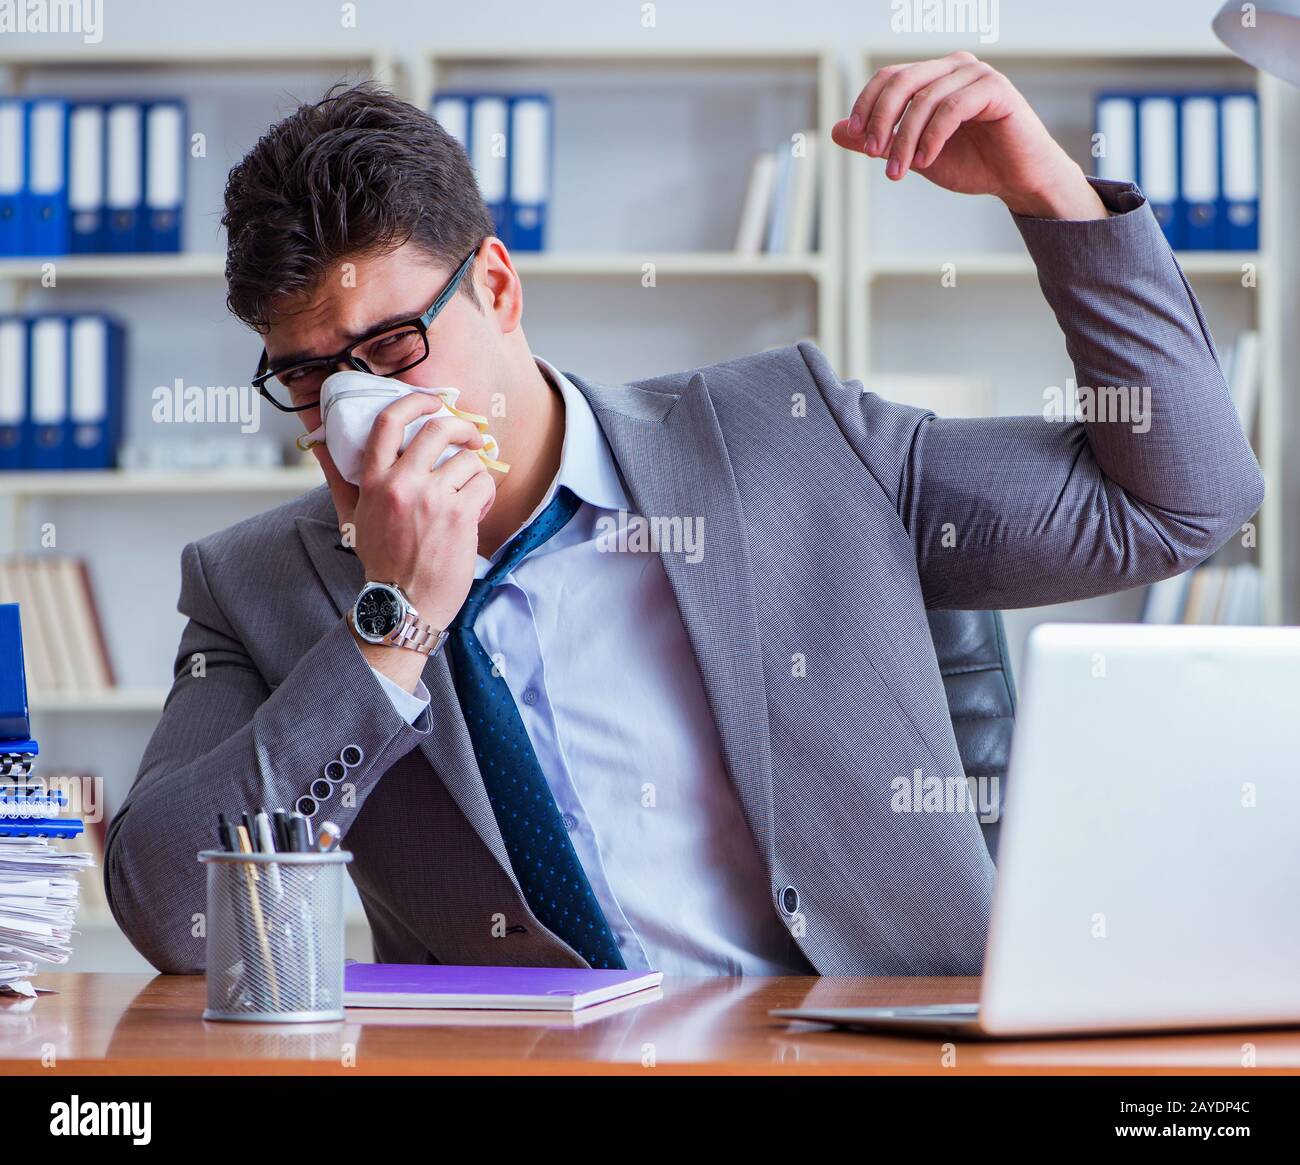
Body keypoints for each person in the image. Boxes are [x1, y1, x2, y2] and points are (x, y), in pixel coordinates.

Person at [105, 53, 1262, 977]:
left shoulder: (790, 437)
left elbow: (1180, 504)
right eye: (307, 376)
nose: (354, 408)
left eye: (392, 348)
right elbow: (178, 920)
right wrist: (391, 630)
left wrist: (1051, 195)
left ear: (499, 288)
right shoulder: (254, 584)